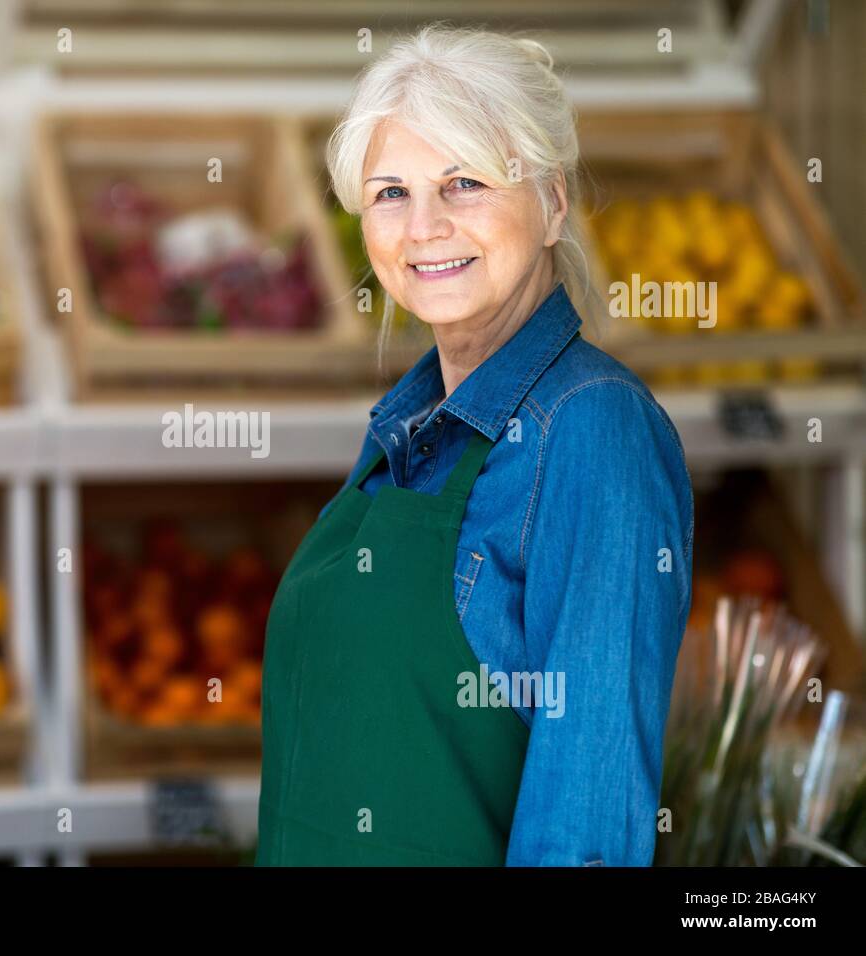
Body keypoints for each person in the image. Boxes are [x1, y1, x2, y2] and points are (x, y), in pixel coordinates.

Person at [256, 24, 694, 866]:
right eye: (391, 193)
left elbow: (588, 823)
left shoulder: (593, 431)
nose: (424, 227)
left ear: (554, 202)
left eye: (464, 183)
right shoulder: (410, 431)